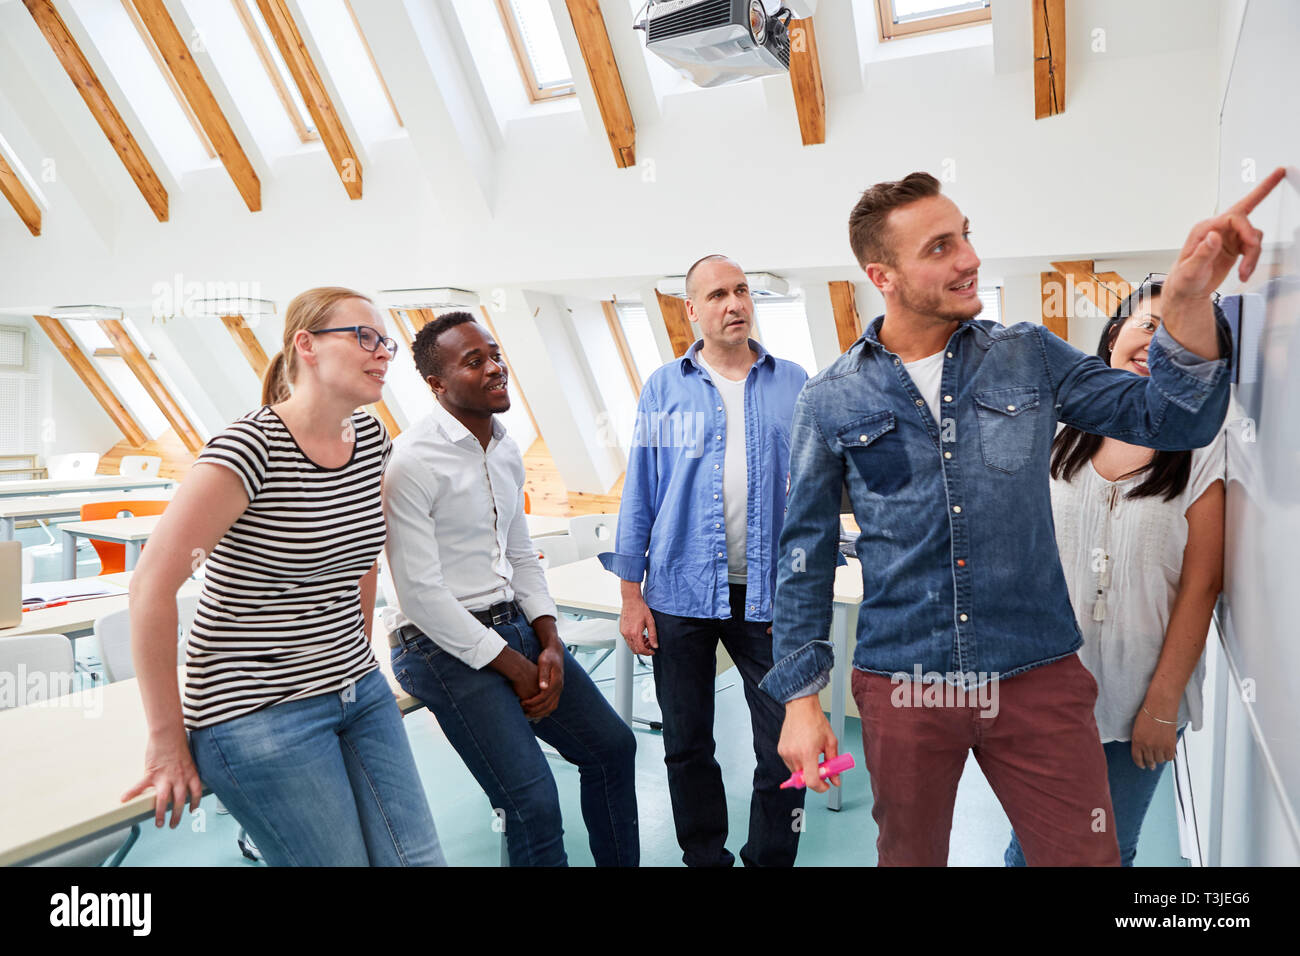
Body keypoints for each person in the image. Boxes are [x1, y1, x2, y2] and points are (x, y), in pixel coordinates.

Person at [762, 168, 1282, 866]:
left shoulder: (1028, 355)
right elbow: (803, 553)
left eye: (966, 237)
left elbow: (1174, 416)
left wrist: (1187, 298)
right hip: (905, 683)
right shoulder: (829, 398)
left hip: (1037, 675)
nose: (970, 257)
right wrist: (802, 700)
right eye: (941, 247)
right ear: (881, 275)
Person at [123, 287, 446, 866]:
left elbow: (361, 558)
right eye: (364, 337)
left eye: (386, 342)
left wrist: (359, 654)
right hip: (257, 713)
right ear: (307, 346)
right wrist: (166, 738)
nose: (382, 354)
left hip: (358, 690)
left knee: (418, 861)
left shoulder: (369, 437)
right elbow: (150, 585)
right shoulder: (250, 446)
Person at [382, 312, 638, 867]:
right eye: (474, 362)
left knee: (613, 750)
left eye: (495, 354)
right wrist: (518, 668)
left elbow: (521, 556)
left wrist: (548, 643)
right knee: (533, 804)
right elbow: (421, 597)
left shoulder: (504, 448)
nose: (496, 368)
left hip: (515, 628)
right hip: (437, 645)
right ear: (437, 385)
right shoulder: (410, 462)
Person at [1004, 278, 1227, 866]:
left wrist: (1160, 706)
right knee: (1029, 847)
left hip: (1139, 700)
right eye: (1149, 325)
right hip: (1043, 689)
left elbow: (1202, 587)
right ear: (1112, 336)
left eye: (1182, 340)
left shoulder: (1205, 450)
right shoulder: (1054, 434)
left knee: (1105, 851)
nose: (1159, 345)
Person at [601, 255, 810, 867]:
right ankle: (705, 857)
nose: (735, 303)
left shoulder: (793, 381)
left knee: (783, 748)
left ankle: (770, 857)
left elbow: (818, 489)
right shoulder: (665, 387)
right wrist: (630, 594)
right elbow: (641, 489)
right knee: (687, 743)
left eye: (742, 291)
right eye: (718, 294)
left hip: (770, 598)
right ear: (692, 310)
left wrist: (806, 582)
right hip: (678, 593)